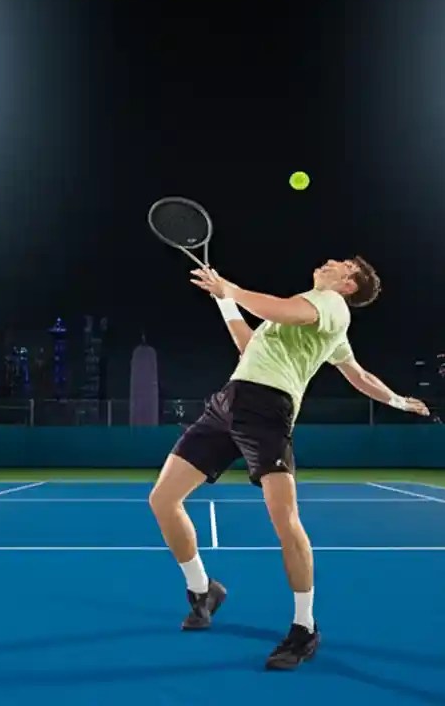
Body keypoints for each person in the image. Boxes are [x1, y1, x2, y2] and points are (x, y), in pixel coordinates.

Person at [147, 256, 430, 670]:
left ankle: (304, 627)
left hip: (267, 409)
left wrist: (232, 289)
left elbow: (281, 310)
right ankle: (203, 591)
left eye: (341, 264)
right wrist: (225, 301)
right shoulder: (318, 323)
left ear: (349, 284)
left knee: (285, 520)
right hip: (229, 402)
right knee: (163, 499)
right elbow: (258, 348)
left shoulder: (331, 305)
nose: (329, 261)